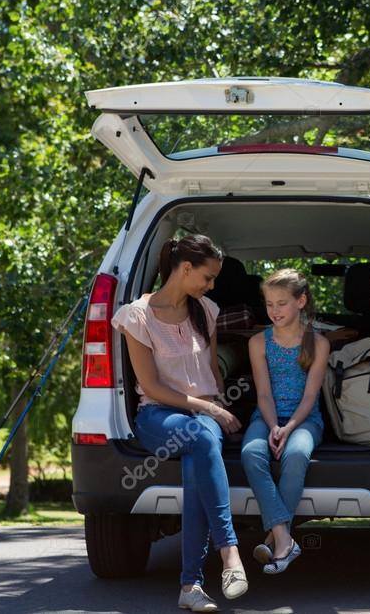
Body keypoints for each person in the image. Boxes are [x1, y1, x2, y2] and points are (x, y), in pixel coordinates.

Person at [111, 234, 248, 613]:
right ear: (184, 268)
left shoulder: (206, 309)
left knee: (198, 455)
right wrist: (214, 411)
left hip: (202, 418)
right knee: (202, 439)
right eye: (208, 277)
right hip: (158, 415)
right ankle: (229, 552)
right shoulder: (135, 316)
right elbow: (152, 386)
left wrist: (217, 404)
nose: (212, 285)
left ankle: (191, 585)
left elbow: (211, 375)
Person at [241, 268, 329, 574]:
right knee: (251, 453)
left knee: (295, 454)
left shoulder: (318, 343)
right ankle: (283, 539)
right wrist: (273, 426)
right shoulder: (258, 342)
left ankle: (275, 538)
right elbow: (263, 393)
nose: (274, 310)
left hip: (305, 420)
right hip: (266, 417)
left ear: (301, 301)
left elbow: (310, 397)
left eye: (282, 303)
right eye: (269, 304)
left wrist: (289, 427)